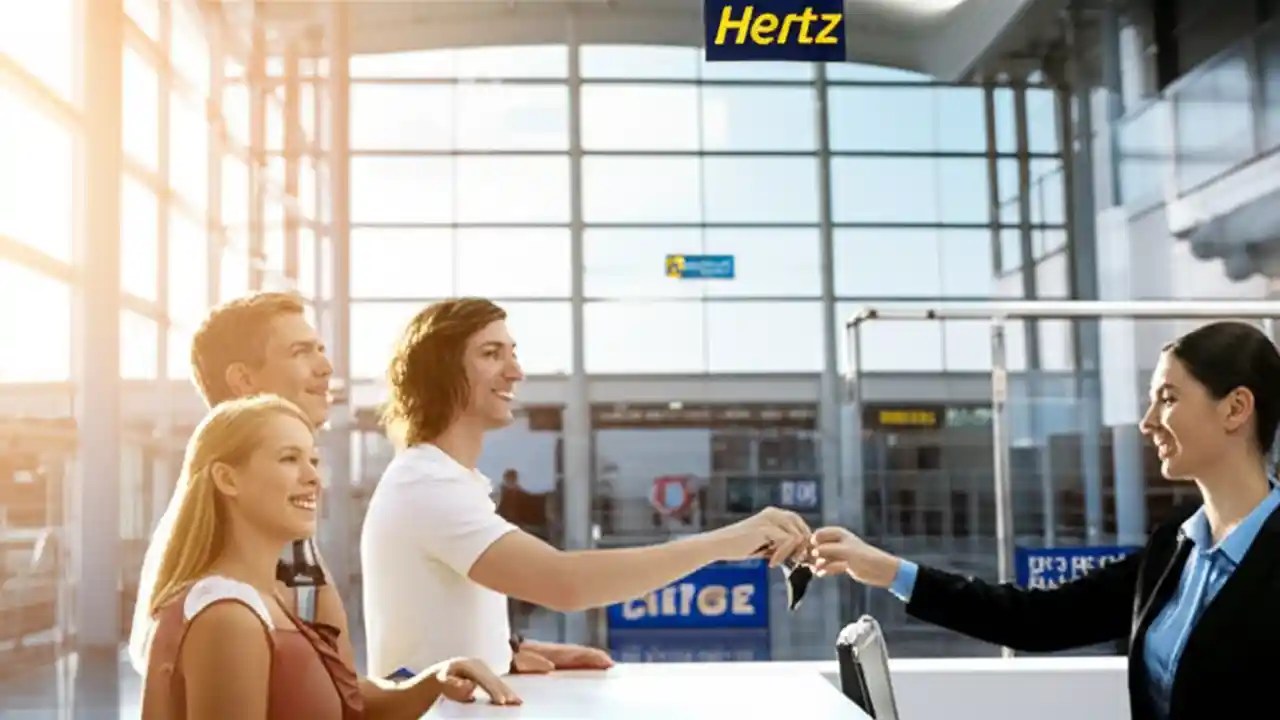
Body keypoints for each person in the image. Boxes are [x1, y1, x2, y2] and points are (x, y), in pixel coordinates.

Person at [808, 320, 1280, 720]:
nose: (1147, 420)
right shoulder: (1176, 546)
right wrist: (889, 570)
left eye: (1168, 398)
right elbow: (1040, 619)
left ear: (1236, 408)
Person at [361, 297, 811, 678]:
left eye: (513, 353)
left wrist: (505, 652)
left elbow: (435, 612)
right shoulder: (428, 484)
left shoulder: (447, 480)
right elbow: (564, 584)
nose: (516, 371)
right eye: (492, 354)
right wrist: (723, 543)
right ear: (440, 372)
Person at [139, 395, 520, 718]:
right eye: (289, 459)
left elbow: (340, 701)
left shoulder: (265, 600)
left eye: (314, 461)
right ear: (227, 479)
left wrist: (431, 681)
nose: (313, 478)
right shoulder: (228, 618)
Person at [129, 292, 344, 673]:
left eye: (320, 350)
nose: (325, 367)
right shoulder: (225, 580)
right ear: (244, 379)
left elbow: (336, 683)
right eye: (300, 352)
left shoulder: (283, 530)